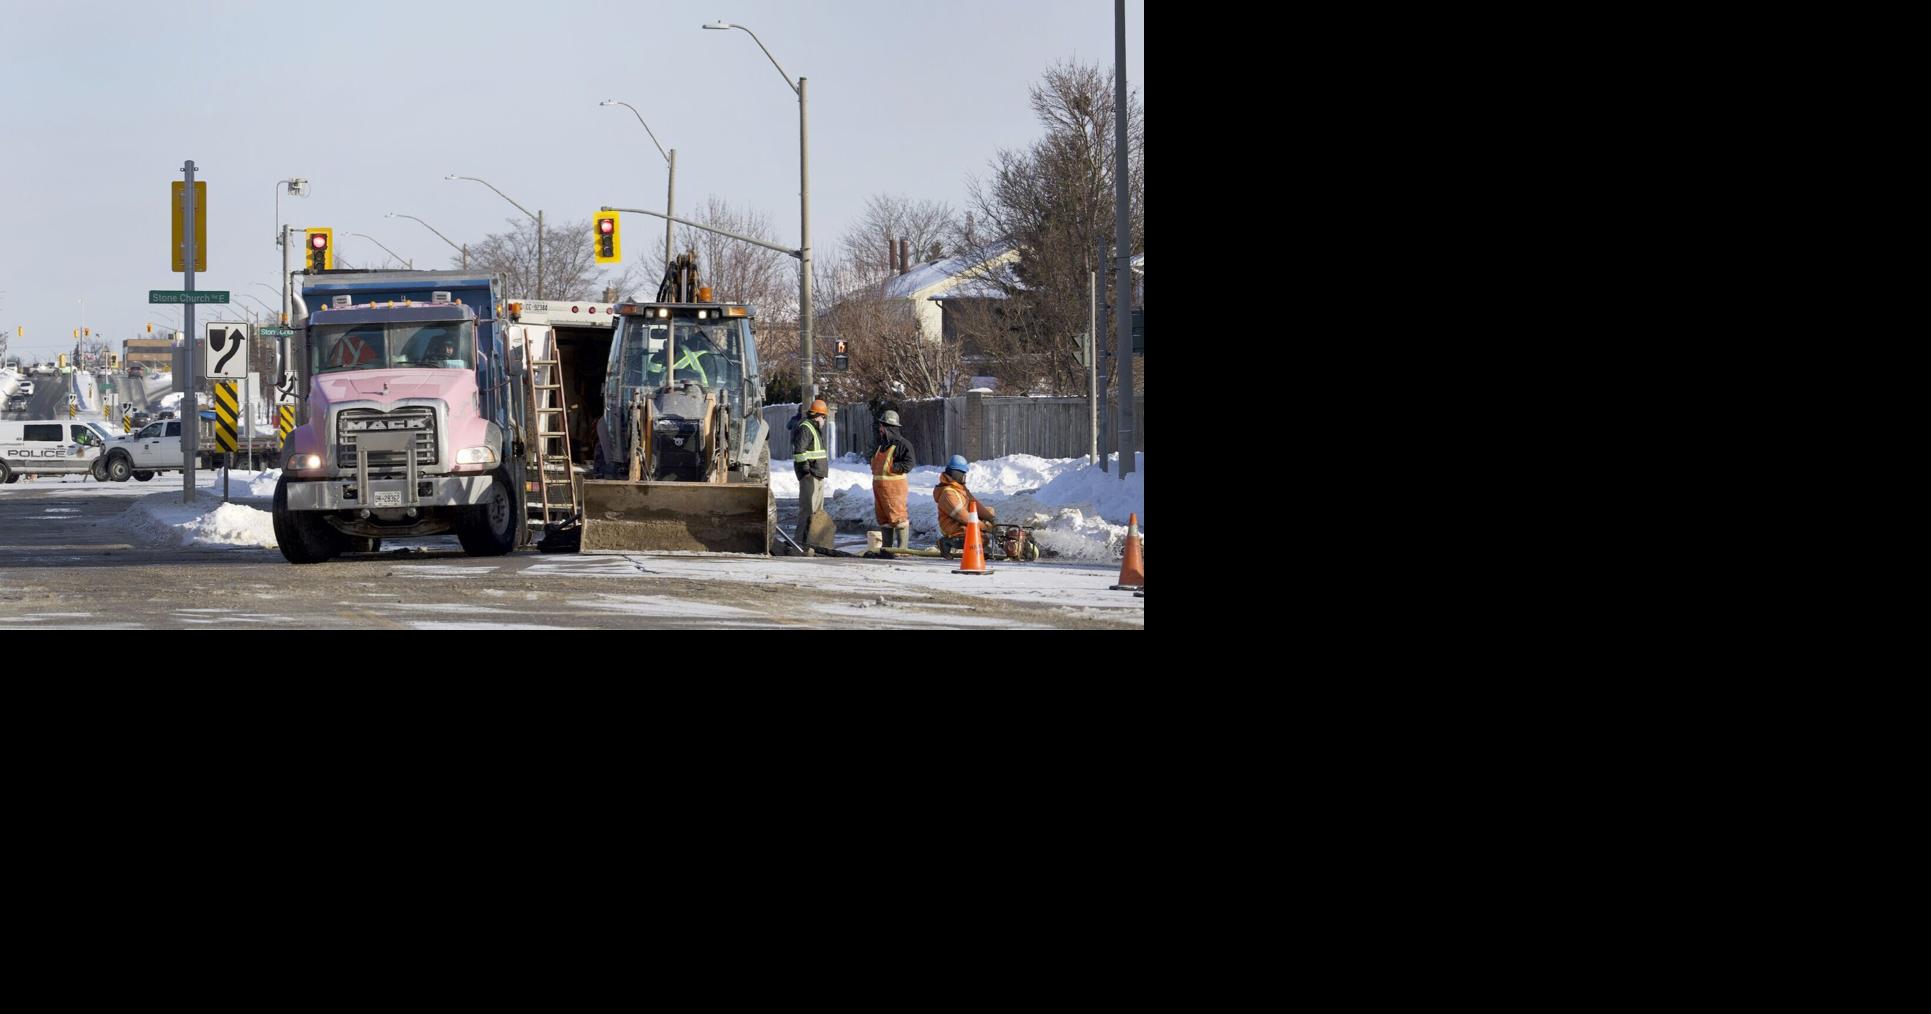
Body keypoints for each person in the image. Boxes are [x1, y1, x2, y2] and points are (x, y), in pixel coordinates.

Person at [933, 454, 997, 559]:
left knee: (990, 511)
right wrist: (985, 527)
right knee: (981, 538)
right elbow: (962, 516)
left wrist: (990, 518)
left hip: (962, 521)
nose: (964, 476)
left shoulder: (960, 488)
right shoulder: (948, 493)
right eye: (963, 473)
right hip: (952, 525)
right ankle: (946, 543)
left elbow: (974, 504)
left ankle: (977, 549)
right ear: (955, 473)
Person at [870, 409, 915, 550]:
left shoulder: (903, 445)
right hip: (880, 490)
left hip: (894, 490)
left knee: (898, 518)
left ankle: (902, 549)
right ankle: (887, 548)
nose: (880, 429)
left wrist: (893, 467)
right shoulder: (882, 445)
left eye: (882, 426)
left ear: (889, 427)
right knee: (884, 519)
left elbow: (909, 464)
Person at [790, 399, 831, 555]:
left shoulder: (814, 429)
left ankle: (812, 544)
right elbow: (799, 453)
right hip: (810, 476)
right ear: (817, 416)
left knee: (816, 514)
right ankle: (800, 545)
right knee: (807, 512)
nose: (825, 421)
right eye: (824, 417)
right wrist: (806, 471)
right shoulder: (806, 428)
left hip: (817, 475)